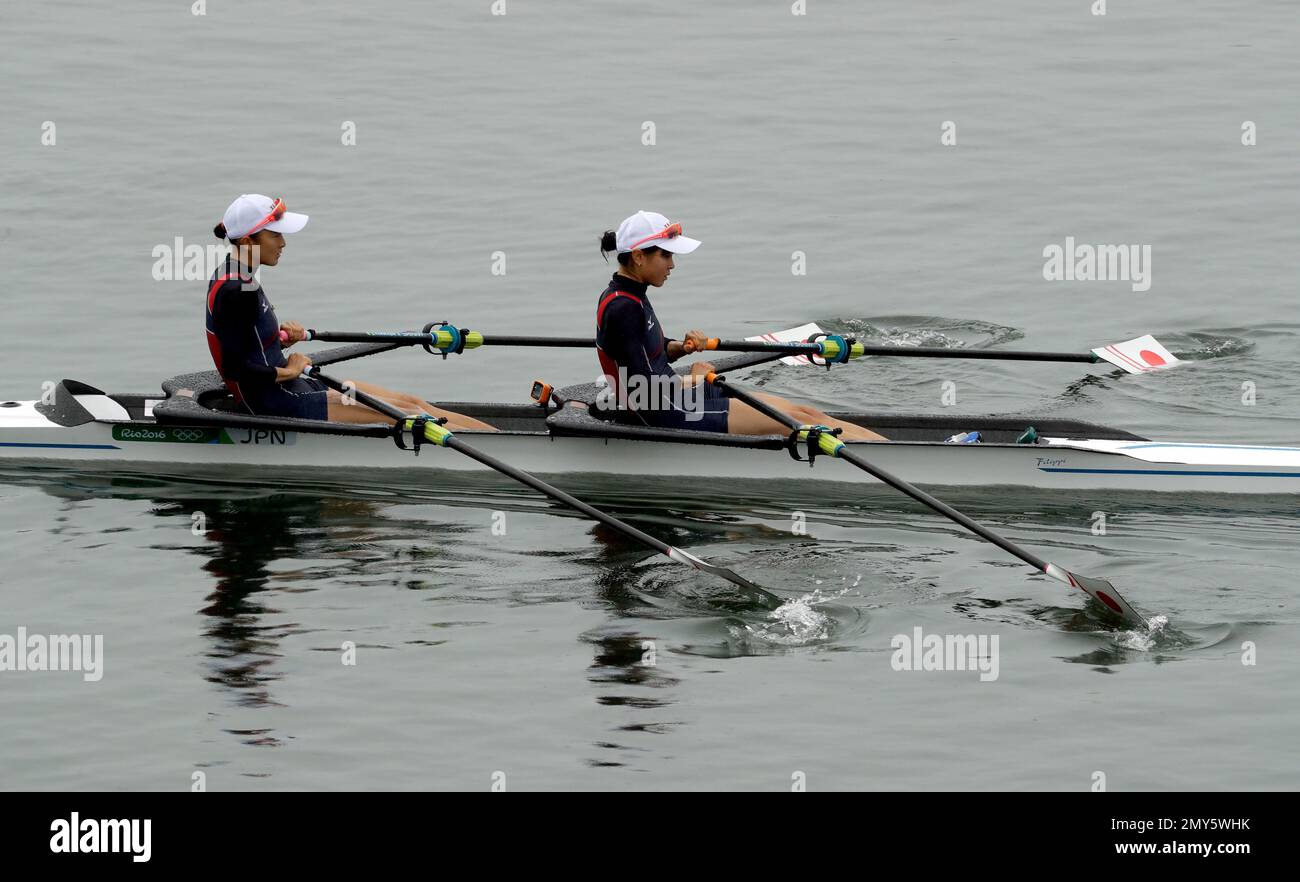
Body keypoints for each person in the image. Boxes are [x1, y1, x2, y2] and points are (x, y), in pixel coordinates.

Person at [204, 194, 493, 430]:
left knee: (411, 402)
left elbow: (243, 341)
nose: (283, 243)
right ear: (247, 241)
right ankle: (506, 450)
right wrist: (288, 369)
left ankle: (499, 436)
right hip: (276, 402)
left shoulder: (237, 275)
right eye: (275, 235)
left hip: (292, 384)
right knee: (411, 416)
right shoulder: (236, 291)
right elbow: (235, 368)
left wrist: (278, 341)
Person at [594, 210, 883, 440]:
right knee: (802, 423)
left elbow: (645, 352)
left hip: (678, 396)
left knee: (807, 411)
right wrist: (695, 378)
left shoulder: (629, 295)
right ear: (639, 256)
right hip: (667, 411)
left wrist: (680, 348)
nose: (672, 265)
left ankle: (886, 447)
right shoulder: (623, 307)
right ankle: (891, 460)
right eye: (666, 255)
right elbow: (642, 386)